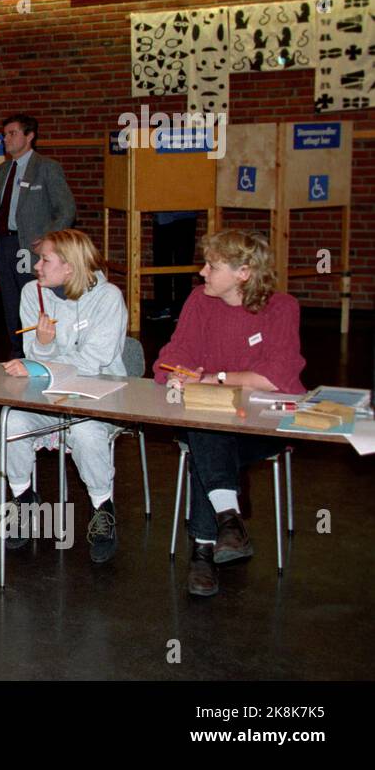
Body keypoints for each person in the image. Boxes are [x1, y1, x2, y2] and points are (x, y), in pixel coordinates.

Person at [154, 230, 305, 597]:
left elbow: (274, 377)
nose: (202, 272)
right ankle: (228, 523)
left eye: (212, 266)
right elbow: (172, 357)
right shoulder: (198, 302)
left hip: (263, 427)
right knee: (208, 427)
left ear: (244, 273)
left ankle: (204, 550)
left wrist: (211, 378)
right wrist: (178, 373)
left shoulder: (282, 308)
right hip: (214, 421)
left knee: (207, 444)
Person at [0, 229, 128, 563]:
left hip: (98, 399)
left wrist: (44, 359)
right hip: (49, 398)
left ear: (69, 267)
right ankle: (23, 499)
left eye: (45, 260)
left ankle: (103, 508)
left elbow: (94, 362)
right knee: (11, 421)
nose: (36, 266)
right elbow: (30, 352)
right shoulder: (32, 294)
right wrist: (42, 346)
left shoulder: (108, 297)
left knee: (85, 432)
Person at [0, 115, 76, 359]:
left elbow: (67, 209)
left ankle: (42, 351)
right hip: (6, 244)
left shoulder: (46, 167)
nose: (6, 139)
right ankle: (17, 351)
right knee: (10, 303)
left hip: (30, 246)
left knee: (33, 298)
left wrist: (48, 241)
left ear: (29, 136)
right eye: (4, 135)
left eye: (12, 133)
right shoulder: (3, 170)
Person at [149, 211, 199, 321]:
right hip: (162, 215)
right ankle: (163, 306)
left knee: (183, 263)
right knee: (161, 262)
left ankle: (182, 308)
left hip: (184, 215)